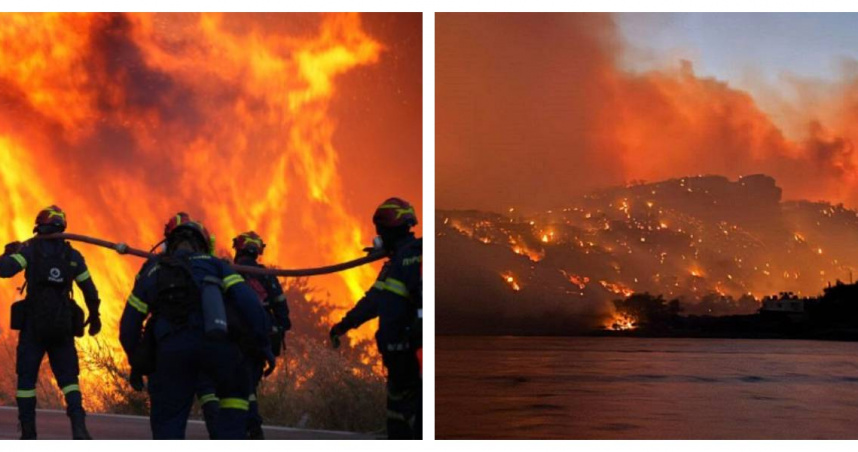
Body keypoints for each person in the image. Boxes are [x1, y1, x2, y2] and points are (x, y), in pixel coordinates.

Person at [118, 212, 275, 439]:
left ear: (170, 243)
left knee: (168, 422)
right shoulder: (216, 265)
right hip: (219, 348)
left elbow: (128, 328)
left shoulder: (153, 270)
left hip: (171, 353)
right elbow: (251, 307)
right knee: (234, 398)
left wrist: (139, 361)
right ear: (203, 244)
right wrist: (264, 347)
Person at [0, 205, 101, 440]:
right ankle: (79, 427)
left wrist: (7, 253)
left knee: (27, 380)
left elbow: (4, 270)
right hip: (62, 326)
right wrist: (95, 316)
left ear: (39, 226)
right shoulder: (72, 256)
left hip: (33, 327)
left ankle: (28, 433)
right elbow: (89, 289)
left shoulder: (29, 250)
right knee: (69, 380)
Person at [329, 198, 423, 439]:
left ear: (390, 231)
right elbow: (373, 302)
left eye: (381, 231)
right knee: (398, 420)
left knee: (416, 421)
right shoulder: (397, 263)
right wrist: (344, 325)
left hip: (411, 358)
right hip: (397, 360)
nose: (379, 237)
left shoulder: (412, 258)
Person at [231, 231, 291, 439]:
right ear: (257, 252)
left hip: (236, 339)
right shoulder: (267, 276)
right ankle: (248, 427)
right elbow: (283, 313)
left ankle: (250, 427)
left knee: (240, 385)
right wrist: (276, 332)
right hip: (260, 342)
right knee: (249, 384)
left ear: (238, 249)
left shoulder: (231, 272)